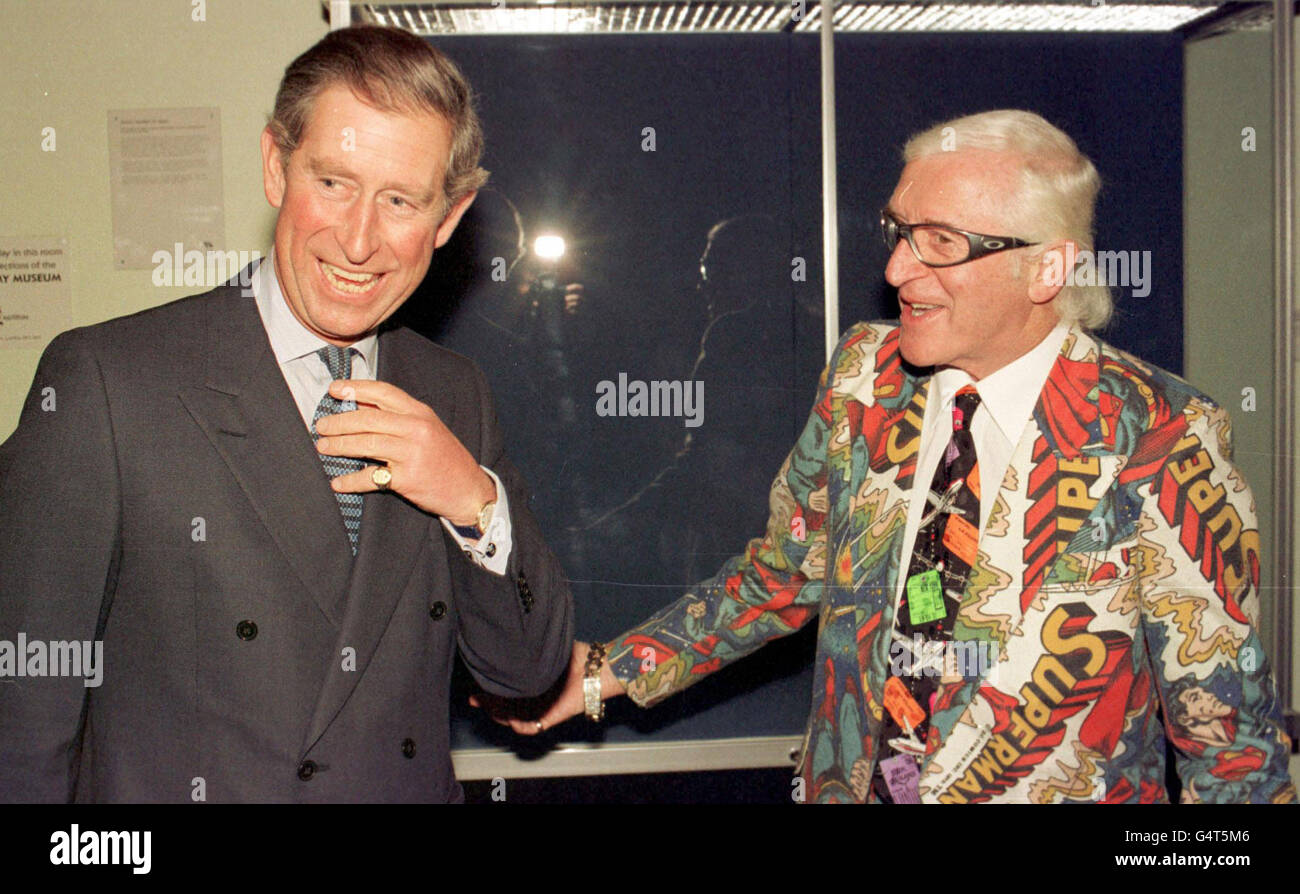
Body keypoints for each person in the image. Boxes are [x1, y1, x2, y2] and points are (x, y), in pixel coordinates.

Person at [478, 110, 1295, 804]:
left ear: (1048, 266)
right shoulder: (865, 376)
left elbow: (1228, 741)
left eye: (942, 241)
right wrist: (600, 674)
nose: (898, 268)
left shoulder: (1162, 433)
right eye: (900, 232)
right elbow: (784, 574)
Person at [0, 25, 573, 803]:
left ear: (448, 217)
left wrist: (473, 500)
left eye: (400, 200)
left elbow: (527, 670)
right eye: (333, 183)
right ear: (276, 165)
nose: (359, 240)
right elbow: (23, 719)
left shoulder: (454, 393)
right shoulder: (108, 383)